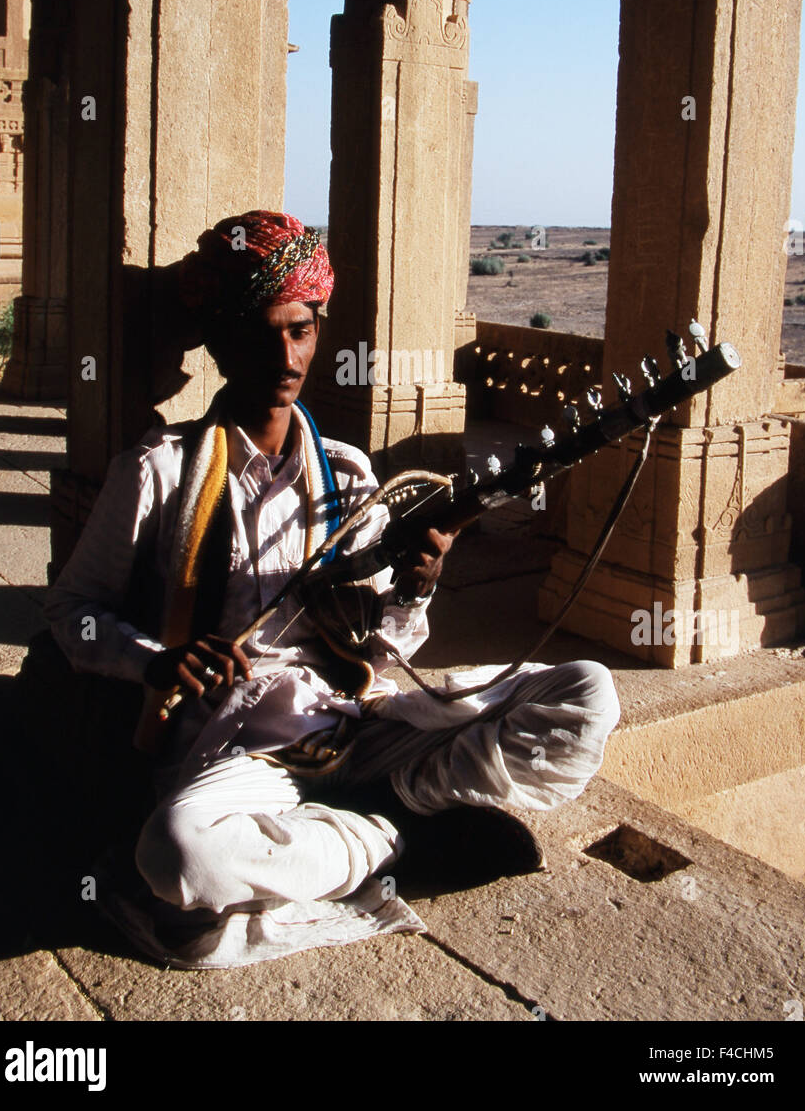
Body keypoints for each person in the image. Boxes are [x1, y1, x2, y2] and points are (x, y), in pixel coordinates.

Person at [45, 210, 621, 968]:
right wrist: (153, 659)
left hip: (355, 718)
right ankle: (395, 831)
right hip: (242, 749)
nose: (287, 355)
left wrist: (415, 589)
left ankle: (382, 806)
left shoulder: (347, 473)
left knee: (587, 694)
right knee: (178, 855)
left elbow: (382, 652)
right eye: (263, 332)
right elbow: (70, 613)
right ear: (221, 343)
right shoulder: (156, 473)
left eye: (303, 330)